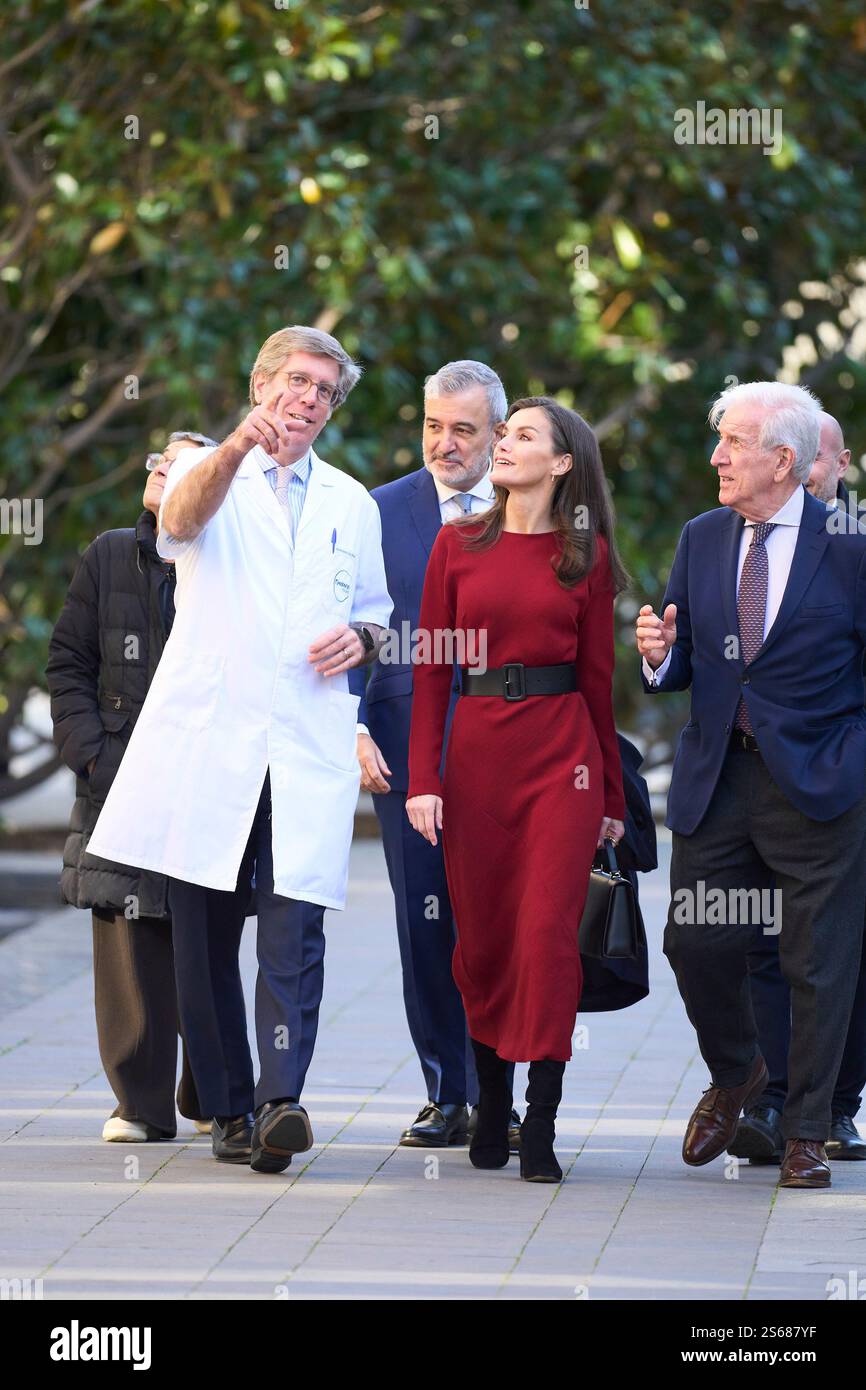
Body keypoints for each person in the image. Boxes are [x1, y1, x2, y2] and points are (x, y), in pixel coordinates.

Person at [88, 326, 392, 1173]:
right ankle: (225, 1106)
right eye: (296, 381)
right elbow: (178, 524)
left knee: (295, 929)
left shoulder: (350, 501)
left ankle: (279, 1099)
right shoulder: (204, 470)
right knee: (206, 935)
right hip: (212, 745)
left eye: (326, 390)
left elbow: (378, 608)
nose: (309, 399)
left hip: (305, 745)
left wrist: (365, 640)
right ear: (261, 384)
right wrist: (233, 450)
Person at [636, 381, 866, 1190]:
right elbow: (684, 659)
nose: (716, 458)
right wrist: (658, 653)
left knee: (818, 963)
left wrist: (853, 756)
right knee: (694, 941)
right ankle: (738, 1074)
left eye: (731, 443)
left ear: (782, 459)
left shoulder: (851, 542)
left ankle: (807, 1132)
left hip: (820, 785)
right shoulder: (702, 537)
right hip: (719, 779)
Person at [407, 396, 627, 1183]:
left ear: (562, 463)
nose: (502, 443)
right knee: (486, 938)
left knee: (545, 937)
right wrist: (423, 780)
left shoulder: (587, 555)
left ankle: (541, 1120)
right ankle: (489, 1105)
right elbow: (431, 671)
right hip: (475, 760)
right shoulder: (455, 544)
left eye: (522, 434)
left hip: (562, 761)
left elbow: (599, 686)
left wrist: (611, 800)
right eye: (504, 433)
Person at [350, 360, 523, 1149]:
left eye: (462, 429)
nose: (444, 444)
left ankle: (505, 1096)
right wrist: (351, 726)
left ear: (496, 432)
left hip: (511, 750)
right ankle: (447, 1092)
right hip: (403, 749)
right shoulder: (376, 511)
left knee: (506, 925)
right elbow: (346, 624)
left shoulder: (533, 509)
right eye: (432, 426)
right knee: (427, 922)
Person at [46, 430, 216, 1142]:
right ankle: (139, 1107)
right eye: (159, 461)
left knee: (204, 934)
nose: (161, 472)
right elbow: (68, 662)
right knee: (126, 931)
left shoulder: (228, 563)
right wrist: (92, 754)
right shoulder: (111, 553)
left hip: (206, 776)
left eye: (183, 466)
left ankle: (210, 1092)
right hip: (116, 774)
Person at [735, 412, 866, 1163]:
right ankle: (776, 1097)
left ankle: (833, 1107)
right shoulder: (740, 538)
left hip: (838, 781)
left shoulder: (850, 541)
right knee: (756, 944)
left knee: (837, 953)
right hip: (751, 784)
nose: (806, 475)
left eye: (818, 461)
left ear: (835, 463)